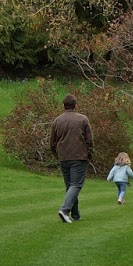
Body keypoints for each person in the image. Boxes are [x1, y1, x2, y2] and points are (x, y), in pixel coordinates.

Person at [50, 93, 93, 223]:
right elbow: (89, 139)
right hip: (79, 156)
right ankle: (64, 210)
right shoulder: (83, 119)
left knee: (70, 185)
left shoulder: (57, 121)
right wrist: (89, 153)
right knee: (76, 185)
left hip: (63, 157)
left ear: (63, 105)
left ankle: (75, 215)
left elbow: (52, 142)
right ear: (76, 105)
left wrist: (57, 155)